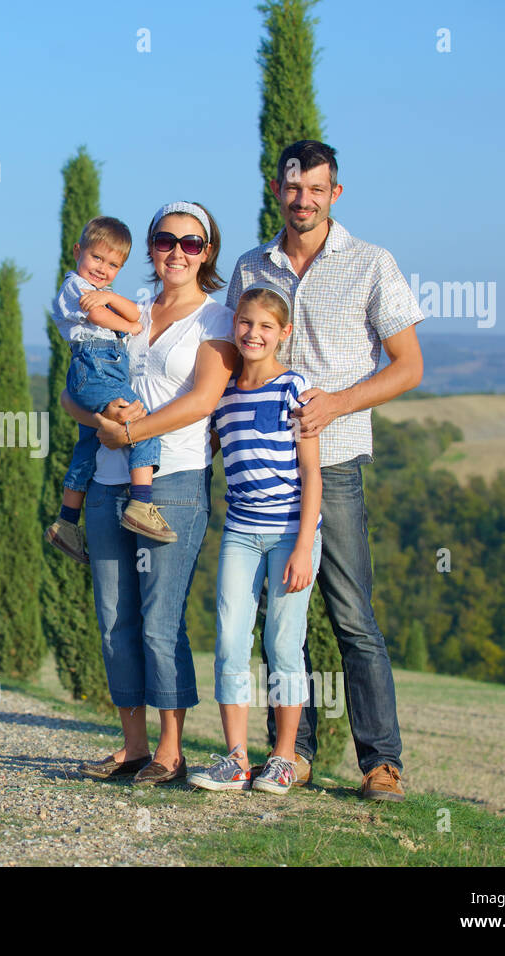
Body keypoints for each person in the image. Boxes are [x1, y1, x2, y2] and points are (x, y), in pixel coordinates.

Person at [224, 140, 424, 801]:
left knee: (350, 615)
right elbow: (232, 358)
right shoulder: (254, 264)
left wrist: (338, 401)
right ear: (275, 190)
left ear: (334, 194)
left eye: (316, 189)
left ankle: (380, 763)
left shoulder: (371, 264)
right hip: (260, 479)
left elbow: (408, 367)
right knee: (278, 619)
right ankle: (295, 753)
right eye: (292, 187)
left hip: (331, 465)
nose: (302, 198)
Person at [67, 201, 237, 786]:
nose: (177, 251)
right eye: (166, 240)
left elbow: (201, 402)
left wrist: (131, 430)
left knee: (160, 619)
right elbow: (75, 389)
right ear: (151, 246)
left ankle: (172, 749)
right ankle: (132, 746)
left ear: (206, 252)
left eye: (191, 243)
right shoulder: (122, 308)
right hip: (109, 480)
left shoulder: (217, 320)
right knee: (115, 617)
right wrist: (99, 422)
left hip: (176, 479)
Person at [187, 281, 322, 795]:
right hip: (240, 532)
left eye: (266, 326)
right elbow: (204, 446)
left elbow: (312, 474)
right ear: (234, 325)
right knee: (228, 641)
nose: (253, 333)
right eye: (245, 322)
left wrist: (306, 545)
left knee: (283, 645)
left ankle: (284, 758)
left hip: (291, 533)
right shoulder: (219, 395)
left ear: (283, 333)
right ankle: (237, 759)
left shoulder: (295, 388)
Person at [44, 216, 174, 567]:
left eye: (113, 264)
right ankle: (141, 503)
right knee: (141, 421)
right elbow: (102, 318)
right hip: (95, 367)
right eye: (97, 258)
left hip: (101, 368)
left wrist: (118, 303)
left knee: (89, 445)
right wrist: (128, 325)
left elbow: (133, 312)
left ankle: (67, 522)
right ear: (78, 252)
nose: (103, 269)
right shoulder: (74, 286)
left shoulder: (101, 291)